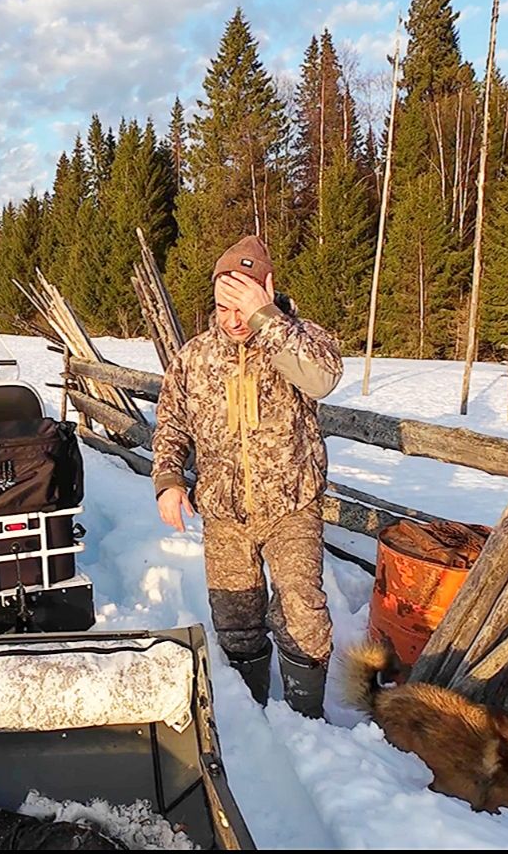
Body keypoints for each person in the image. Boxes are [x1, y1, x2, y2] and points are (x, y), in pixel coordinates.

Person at [151, 235, 344, 718]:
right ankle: (253, 716)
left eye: (243, 306)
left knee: (302, 613)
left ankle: (307, 721)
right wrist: (169, 479)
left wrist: (268, 319)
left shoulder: (298, 339)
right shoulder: (194, 357)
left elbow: (322, 378)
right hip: (224, 512)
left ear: (267, 290)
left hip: (291, 506)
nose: (234, 320)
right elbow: (172, 422)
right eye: (223, 308)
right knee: (235, 617)